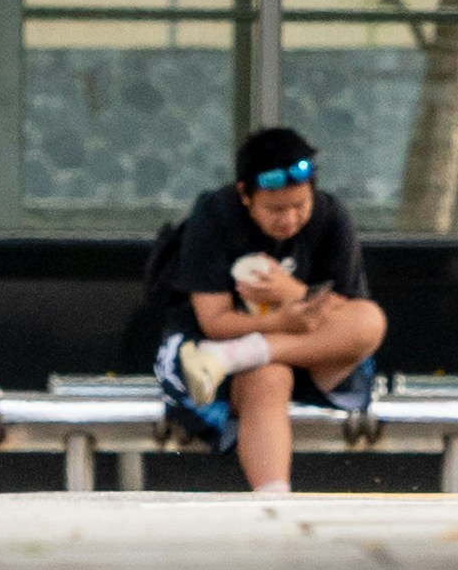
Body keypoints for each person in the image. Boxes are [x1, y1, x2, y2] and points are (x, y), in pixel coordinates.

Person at [145, 121, 388, 494]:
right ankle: (274, 503)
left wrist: (290, 291)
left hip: (303, 352)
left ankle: (239, 355)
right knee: (268, 376)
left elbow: (349, 315)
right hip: (211, 362)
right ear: (245, 195)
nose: (289, 220)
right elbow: (212, 322)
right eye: (275, 209)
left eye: (299, 205)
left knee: (371, 321)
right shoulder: (214, 215)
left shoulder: (330, 216)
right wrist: (280, 319)